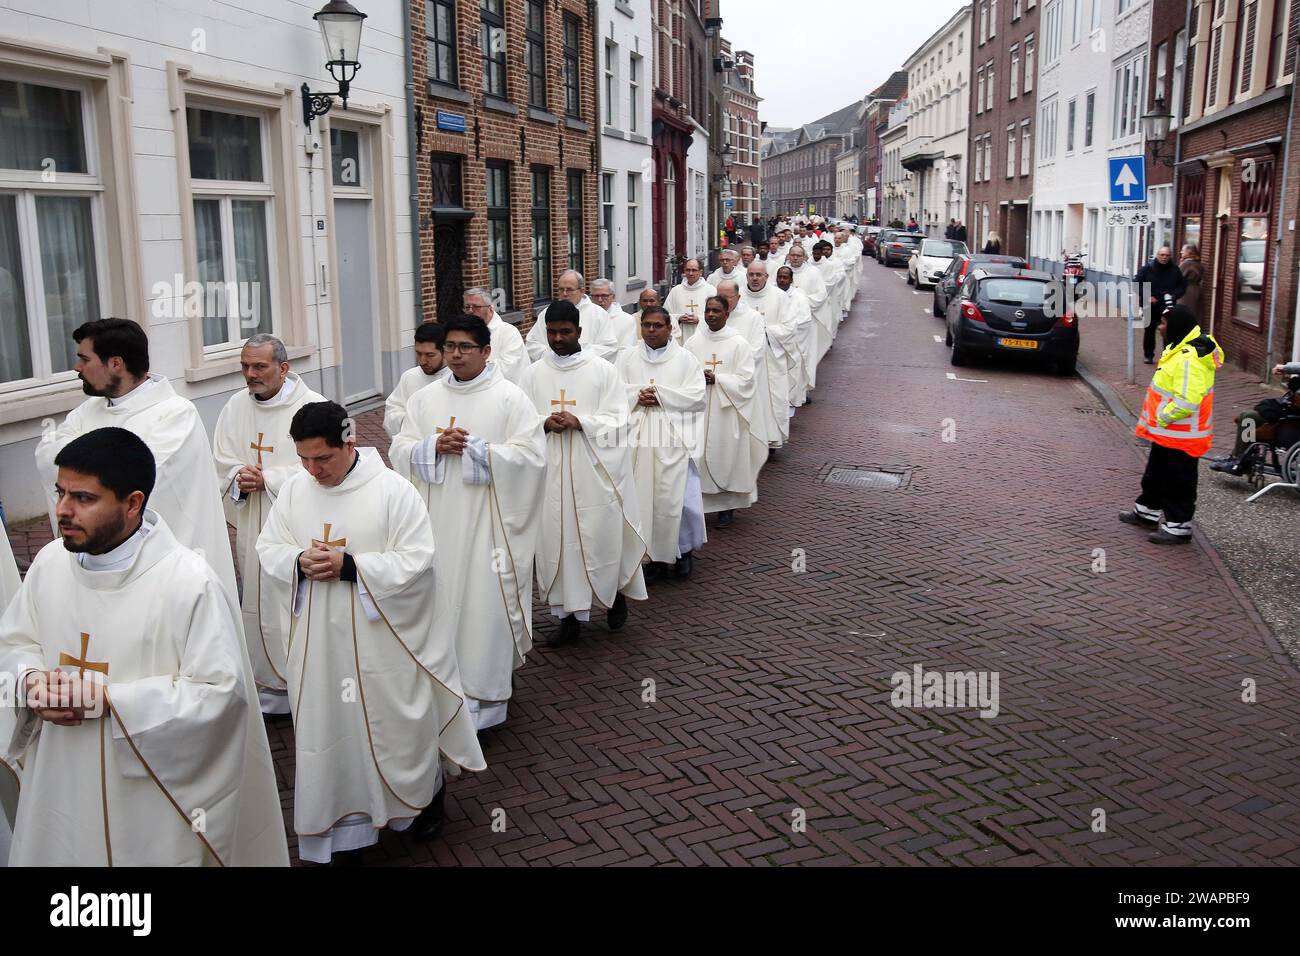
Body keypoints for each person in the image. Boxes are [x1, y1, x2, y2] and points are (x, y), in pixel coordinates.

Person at [1, 427, 287, 866]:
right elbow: (16, 642)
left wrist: (110, 700)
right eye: (60, 493)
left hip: (148, 798)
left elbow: (219, 695)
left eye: (83, 498)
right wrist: (30, 681)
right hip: (59, 782)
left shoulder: (188, 583)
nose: (62, 510)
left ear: (133, 503)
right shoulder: (49, 564)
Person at [257, 402, 484, 862]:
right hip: (320, 645)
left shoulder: (394, 492)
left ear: (349, 442)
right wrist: (296, 561)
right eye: (302, 459)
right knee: (328, 731)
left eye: (322, 458)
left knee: (398, 727)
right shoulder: (296, 492)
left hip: (384, 643)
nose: (311, 469)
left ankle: (424, 798)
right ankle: (346, 826)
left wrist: (352, 567)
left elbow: (418, 560)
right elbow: (268, 546)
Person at [390, 316, 546, 731]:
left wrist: (481, 451)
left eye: (465, 347)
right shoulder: (424, 400)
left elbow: (532, 458)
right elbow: (399, 449)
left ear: (486, 352)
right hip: (436, 521)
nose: (455, 355)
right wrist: (431, 446)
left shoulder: (511, 398)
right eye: (450, 347)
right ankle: (442, 690)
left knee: (483, 605)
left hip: (488, 529)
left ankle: (485, 702)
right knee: (438, 604)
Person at [34, 319, 241, 613]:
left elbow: (135, 477)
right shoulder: (87, 411)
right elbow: (48, 455)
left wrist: (88, 460)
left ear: (116, 363)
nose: (76, 368)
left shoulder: (174, 414)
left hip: (161, 576)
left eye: (84, 358)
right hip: (98, 565)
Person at [519, 300, 648, 646]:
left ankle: (613, 595)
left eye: (565, 332)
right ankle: (568, 617)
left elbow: (620, 419)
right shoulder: (532, 374)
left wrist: (583, 422)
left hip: (594, 473)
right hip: (550, 474)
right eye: (551, 332)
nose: (557, 338)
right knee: (556, 542)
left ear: (579, 331)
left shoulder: (602, 371)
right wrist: (542, 423)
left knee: (599, 538)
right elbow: (517, 423)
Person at [212, 333, 325, 715]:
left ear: (283, 368)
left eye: (259, 366)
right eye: (245, 366)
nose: (250, 374)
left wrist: (270, 480)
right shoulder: (234, 407)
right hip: (253, 523)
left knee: (291, 602)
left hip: (296, 529)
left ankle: (304, 682)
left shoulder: (313, 407)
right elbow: (221, 459)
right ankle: (269, 689)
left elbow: (326, 468)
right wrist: (237, 477)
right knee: (257, 599)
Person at [1119, 304, 1224, 544]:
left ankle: (1179, 526)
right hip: (1170, 433)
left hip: (1182, 434)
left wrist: (1163, 417)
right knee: (1156, 473)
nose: (1160, 327)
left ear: (1176, 326)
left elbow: (1188, 400)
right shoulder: (1179, 349)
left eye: (1164, 323)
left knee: (1179, 480)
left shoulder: (1189, 359)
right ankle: (1147, 511)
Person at [616, 307, 707, 581]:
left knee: (679, 501)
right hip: (638, 441)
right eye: (646, 325)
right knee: (643, 500)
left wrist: (660, 396)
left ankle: (684, 552)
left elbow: (696, 396)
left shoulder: (686, 360)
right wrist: (635, 395)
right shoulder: (627, 358)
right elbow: (612, 391)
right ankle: (652, 557)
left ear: (669, 328)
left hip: (673, 440)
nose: (651, 331)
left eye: (657, 325)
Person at [683, 296, 766, 527]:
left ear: (726, 314)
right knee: (696, 457)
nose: (710, 314)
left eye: (716, 311)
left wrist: (718, 379)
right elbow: (683, 373)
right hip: (699, 411)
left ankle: (728, 507)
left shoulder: (739, 344)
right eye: (707, 310)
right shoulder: (693, 343)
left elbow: (747, 380)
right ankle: (697, 505)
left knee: (727, 455)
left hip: (727, 410)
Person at [740, 260, 799, 446]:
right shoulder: (739, 297)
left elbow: (790, 327)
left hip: (771, 357)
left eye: (759, 275)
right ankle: (748, 438)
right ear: (747, 275)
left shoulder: (780, 297)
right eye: (751, 274)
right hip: (745, 357)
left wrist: (763, 330)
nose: (755, 278)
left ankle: (771, 437)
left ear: (766, 276)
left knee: (772, 398)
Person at [1209, 362, 1300, 476]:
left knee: (1248, 418)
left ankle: (1240, 460)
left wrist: (1286, 368)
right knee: (1248, 417)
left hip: (1290, 422)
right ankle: (1240, 457)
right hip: (1287, 413)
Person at [525, 271, 620, 362]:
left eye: (569, 289)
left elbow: (609, 347)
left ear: (582, 291)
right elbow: (532, 344)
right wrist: (555, 357)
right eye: (561, 289)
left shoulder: (598, 314)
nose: (565, 294)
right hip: (554, 370)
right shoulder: (548, 313)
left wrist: (577, 357)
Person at [383, 322, 448, 439]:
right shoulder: (409, 377)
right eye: (418, 353)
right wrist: (412, 422)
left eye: (429, 355)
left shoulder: (456, 378)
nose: (422, 361)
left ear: (445, 352)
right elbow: (391, 414)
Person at [463, 288, 530, 385]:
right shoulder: (463, 334)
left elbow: (509, 367)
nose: (470, 311)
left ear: (490, 309)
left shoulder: (508, 332)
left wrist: (473, 365)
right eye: (467, 307)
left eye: (476, 307)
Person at [1133, 246, 1187, 364]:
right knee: (1149, 330)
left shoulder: (1175, 270)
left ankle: (1166, 355)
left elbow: (1182, 287)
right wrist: (1148, 296)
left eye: (1167, 255)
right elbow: (1136, 284)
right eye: (1162, 255)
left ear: (1170, 256)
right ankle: (1148, 355)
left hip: (1167, 305)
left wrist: (1174, 296)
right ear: (1157, 255)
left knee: (1168, 331)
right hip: (1149, 304)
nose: (1164, 257)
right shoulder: (1147, 268)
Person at [777, 265, 818, 398]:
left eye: (785, 277)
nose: (782, 280)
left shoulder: (800, 298)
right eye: (780, 277)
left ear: (791, 280)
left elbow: (804, 321)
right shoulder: (772, 295)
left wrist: (783, 332)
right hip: (773, 344)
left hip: (792, 344)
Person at [663, 258, 716, 346]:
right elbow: (665, 315)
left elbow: (717, 315)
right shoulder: (676, 290)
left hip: (703, 337)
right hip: (680, 337)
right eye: (688, 270)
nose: (690, 273)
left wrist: (699, 319)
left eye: (694, 270)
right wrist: (679, 318)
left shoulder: (711, 290)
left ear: (701, 272)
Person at [590, 278, 638, 354]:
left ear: (613, 297)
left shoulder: (627, 320)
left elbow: (627, 350)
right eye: (596, 296)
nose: (599, 300)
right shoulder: (585, 317)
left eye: (604, 296)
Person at [1179, 243, 1203, 318]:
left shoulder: (1187, 263)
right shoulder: (1198, 264)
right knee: (1194, 312)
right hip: (1196, 290)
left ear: (1189, 252)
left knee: (1183, 313)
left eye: (1183, 250)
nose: (1181, 252)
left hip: (1186, 292)